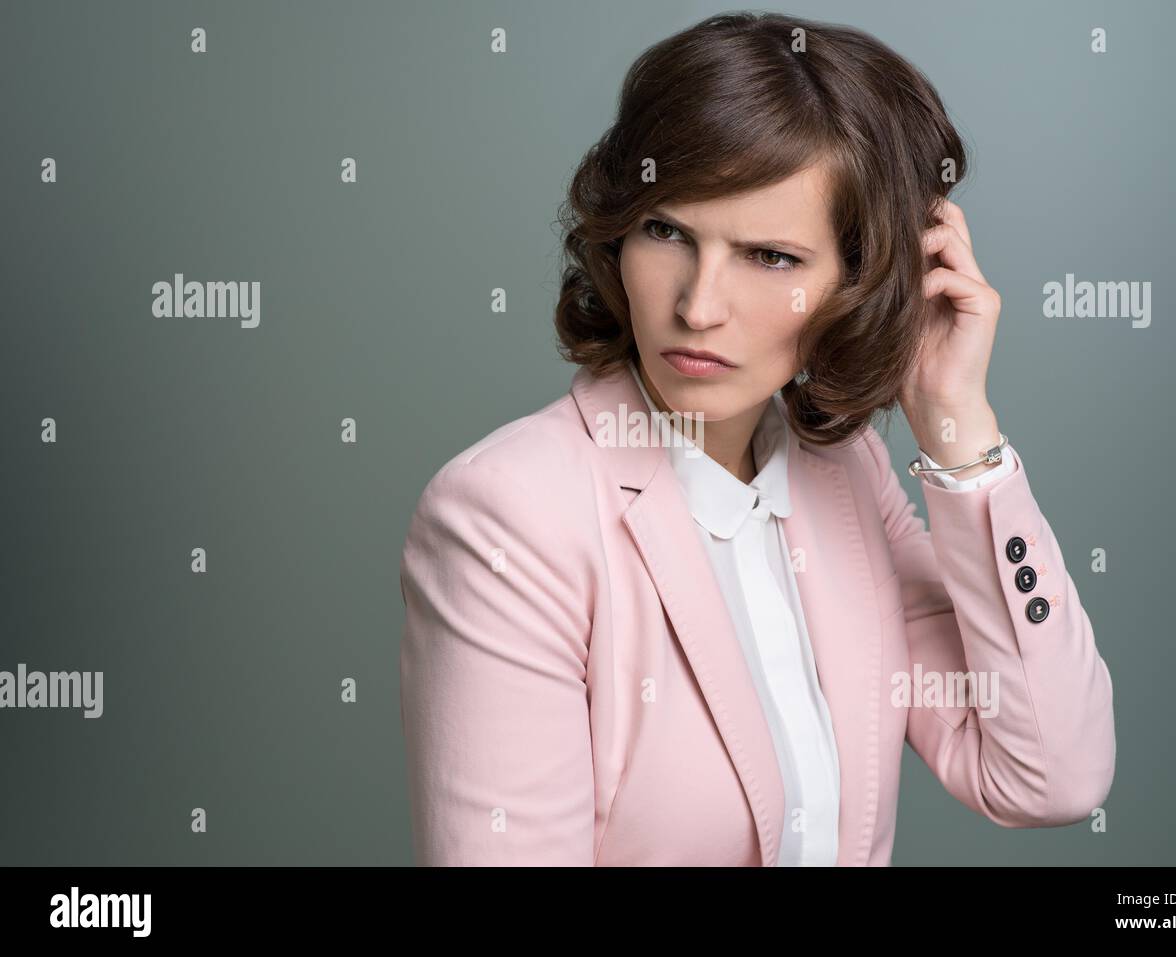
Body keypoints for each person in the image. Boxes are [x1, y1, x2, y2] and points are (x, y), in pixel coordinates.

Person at [399, 11, 1115, 866]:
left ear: (862, 282)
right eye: (667, 231)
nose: (698, 307)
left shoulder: (845, 477)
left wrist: (954, 421)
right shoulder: (507, 516)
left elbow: (1049, 775)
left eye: (769, 256)